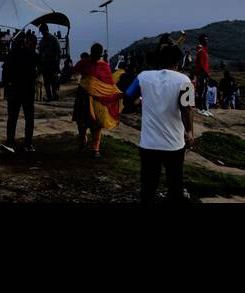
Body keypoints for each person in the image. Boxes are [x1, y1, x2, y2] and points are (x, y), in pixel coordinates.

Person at [126, 42, 194, 203]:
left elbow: (128, 95)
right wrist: (190, 132)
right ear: (178, 63)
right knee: (175, 185)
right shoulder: (185, 80)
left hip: (149, 143)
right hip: (174, 144)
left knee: (148, 186)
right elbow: (187, 109)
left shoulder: (143, 77)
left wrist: (141, 100)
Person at [74, 44, 123, 157]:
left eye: (98, 55)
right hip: (83, 96)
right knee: (81, 121)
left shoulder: (104, 66)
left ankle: (95, 148)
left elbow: (109, 84)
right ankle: (83, 139)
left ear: (100, 54)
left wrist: (116, 93)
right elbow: (74, 70)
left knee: (97, 123)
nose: (96, 57)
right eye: (94, 54)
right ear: (91, 53)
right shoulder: (84, 62)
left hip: (98, 100)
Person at [3, 32, 39, 153]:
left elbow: (6, 72)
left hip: (15, 89)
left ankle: (10, 142)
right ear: (26, 42)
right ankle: (28, 143)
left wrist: (6, 88)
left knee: (12, 118)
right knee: (29, 118)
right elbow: (38, 69)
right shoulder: (33, 55)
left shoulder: (12, 54)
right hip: (28, 90)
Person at [38, 22, 61, 101]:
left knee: (53, 81)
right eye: (42, 32)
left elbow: (58, 52)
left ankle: (54, 95)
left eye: (43, 31)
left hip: (52, 64)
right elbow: (40, 53)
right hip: (45, 65)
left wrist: (57, 64)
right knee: (47, 82)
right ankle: (50, 96)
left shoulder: (53, 39)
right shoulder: (42, 41)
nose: (42, 33)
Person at [194, 34, 211, 113]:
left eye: (207, 39)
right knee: (202, 91)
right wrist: (205, 73)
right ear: (201, 40)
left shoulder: (204, 49)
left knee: (205, 91)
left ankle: (205, 108)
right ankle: (200, 108)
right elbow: (200, 63)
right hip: (202, 74)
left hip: (205, 73)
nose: (207, 41)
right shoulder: (200, 50)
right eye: (205, 39)